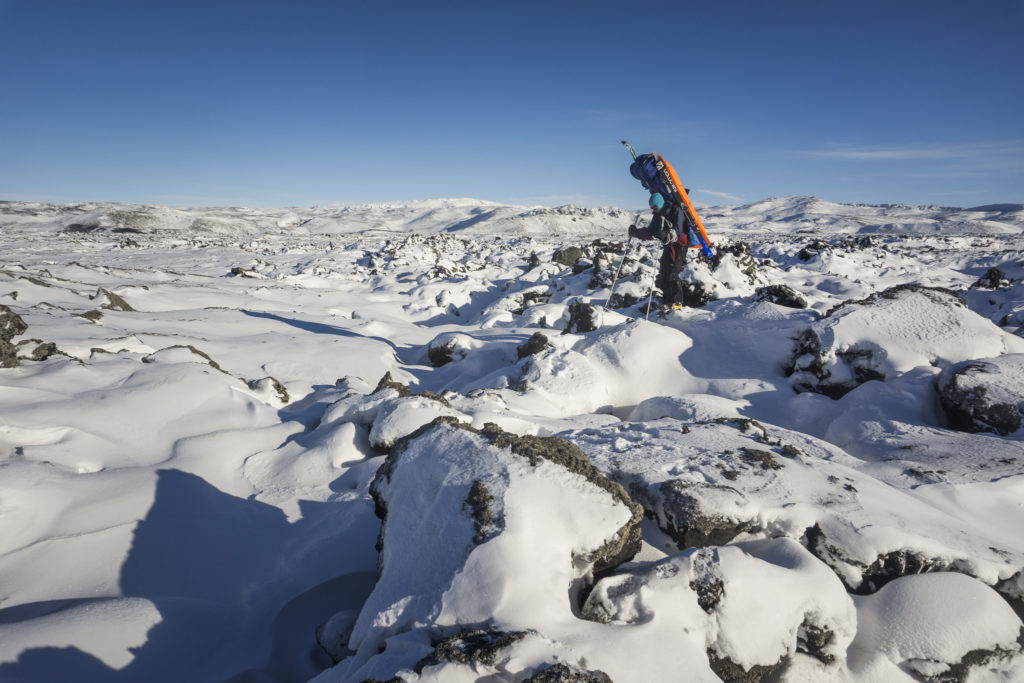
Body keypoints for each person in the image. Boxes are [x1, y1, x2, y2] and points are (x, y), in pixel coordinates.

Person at [628, 192, 691, 308]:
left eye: (655, 207)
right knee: (665, 271)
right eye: (652, 208)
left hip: (680, 246)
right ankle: (667, 300)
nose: (653, 210)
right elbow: (651, 231)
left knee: (672, 273)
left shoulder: (676, 210)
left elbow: (680, 231)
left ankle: (677, 303)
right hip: (669, 245)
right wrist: (637, 233)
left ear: (660, 204)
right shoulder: (658, 215)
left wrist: (667, 235)